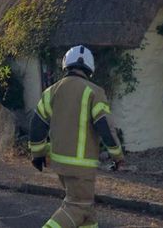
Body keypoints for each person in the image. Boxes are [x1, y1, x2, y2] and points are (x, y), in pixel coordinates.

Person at [28, 45, 124, 228]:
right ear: (90, 68)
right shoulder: (94, 92)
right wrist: (117, 155)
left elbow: (37, 125)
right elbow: (105, 127)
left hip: (59, 162)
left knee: (87, 213)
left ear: (66, 65)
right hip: (82, 166)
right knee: (78, 206)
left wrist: (37, 154)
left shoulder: (51, 91)